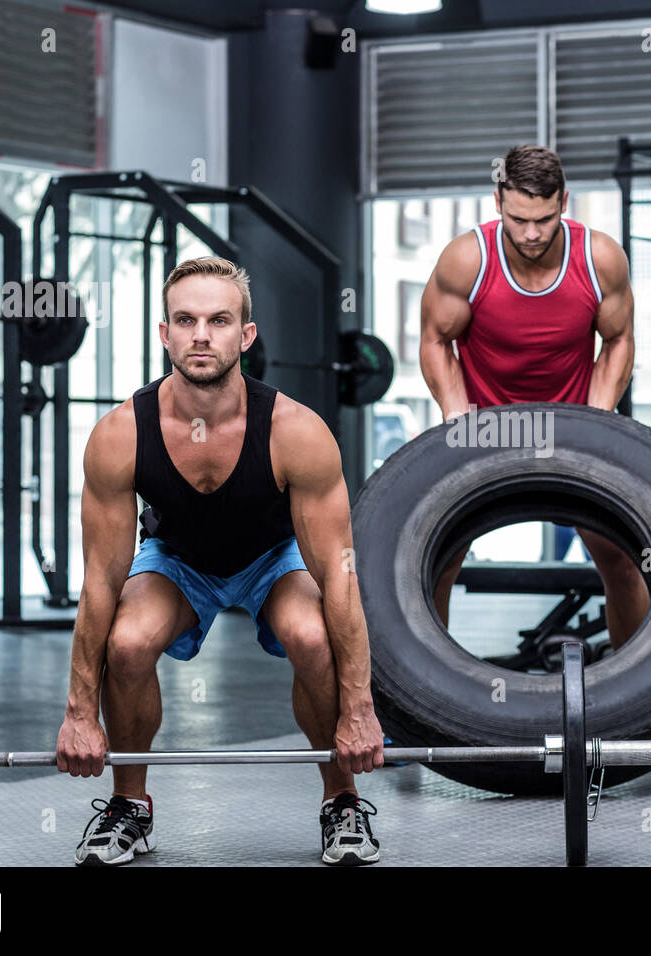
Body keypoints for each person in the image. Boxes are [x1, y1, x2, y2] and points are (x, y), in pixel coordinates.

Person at [55, 256, 385, 866]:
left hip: (271, 558)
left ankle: (341, 800)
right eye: (185, 320)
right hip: (178, 561)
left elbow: (337, 579)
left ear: (246, 335)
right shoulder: (120, 434)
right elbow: (100, 581)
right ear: (165, 333)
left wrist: (362, 711)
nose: (201, 334)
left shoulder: (296, 432)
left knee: (312, 636)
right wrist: (78, 712)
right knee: (126, 643)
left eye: (218, 320)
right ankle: (130, 806)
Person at [419, 144, 646, 649]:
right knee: (436, 557)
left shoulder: (600, 258)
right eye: (518, 219)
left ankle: (637, 693)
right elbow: (435, 340)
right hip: (485, 423)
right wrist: (458, 417)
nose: (530, 234)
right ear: (498, 201)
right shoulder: (467, 260)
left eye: (543, 219)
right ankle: (426, 691)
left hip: (571, 424)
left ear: (564, 201)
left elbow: (619, 339)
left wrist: (598, 419)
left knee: (623, 558)